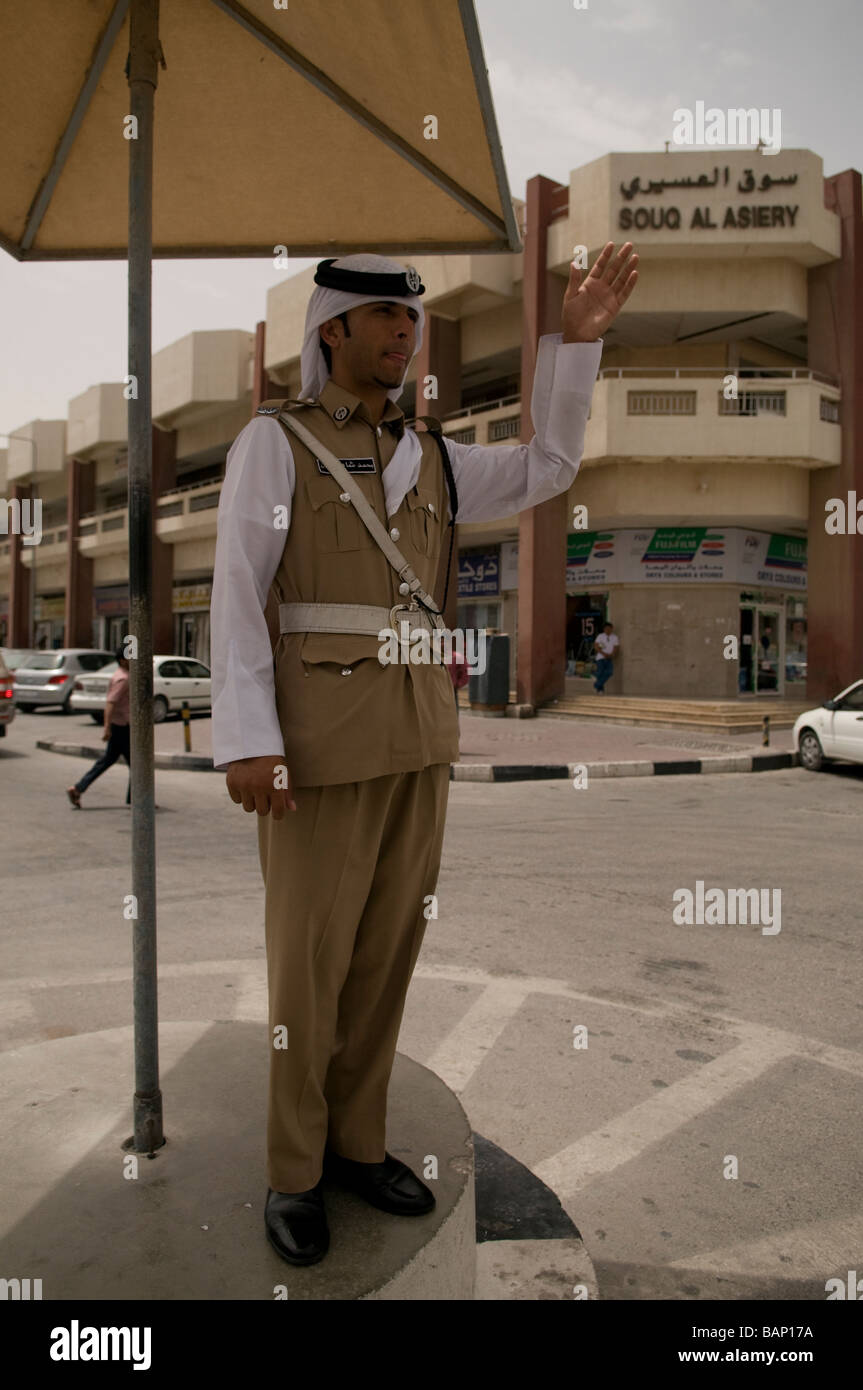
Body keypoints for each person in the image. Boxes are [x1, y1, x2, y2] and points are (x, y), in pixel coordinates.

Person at [209, 243, 638, 1267]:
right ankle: (293, 1170)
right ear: (333, 332)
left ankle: (356, 1146)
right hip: (314, 752)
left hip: (414, 742)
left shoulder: (435, 457)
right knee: (306, 973)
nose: (404, 336)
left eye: (412, 322)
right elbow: (237, 585)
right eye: (383, 320)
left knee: (383, 961)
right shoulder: (278, 442)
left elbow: (548, 468)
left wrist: (571, 348)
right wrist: (247, 740)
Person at [67, 648, 131, 807]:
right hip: (122, 727)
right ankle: (140, 798)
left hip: (120, 725)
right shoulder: (123, 679)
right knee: (138, 764)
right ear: (123, 660)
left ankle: (78, 788)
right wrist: (107, 728)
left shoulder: (120, 674)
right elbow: (110, 703)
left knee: (108, 760)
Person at [593, 621, 620, 693]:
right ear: (604, 629)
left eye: (609, 628)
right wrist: (603, 654)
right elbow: (596, 646)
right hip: (600, 657)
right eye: (606, 628)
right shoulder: (600, 636)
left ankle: (597, 684)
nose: (607, 630)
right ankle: (600, 689)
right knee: (600, 673)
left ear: (612, 629)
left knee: (609, 672)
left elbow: (616, 647)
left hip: (609, 658)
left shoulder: (615, 637)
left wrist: (612, 654)